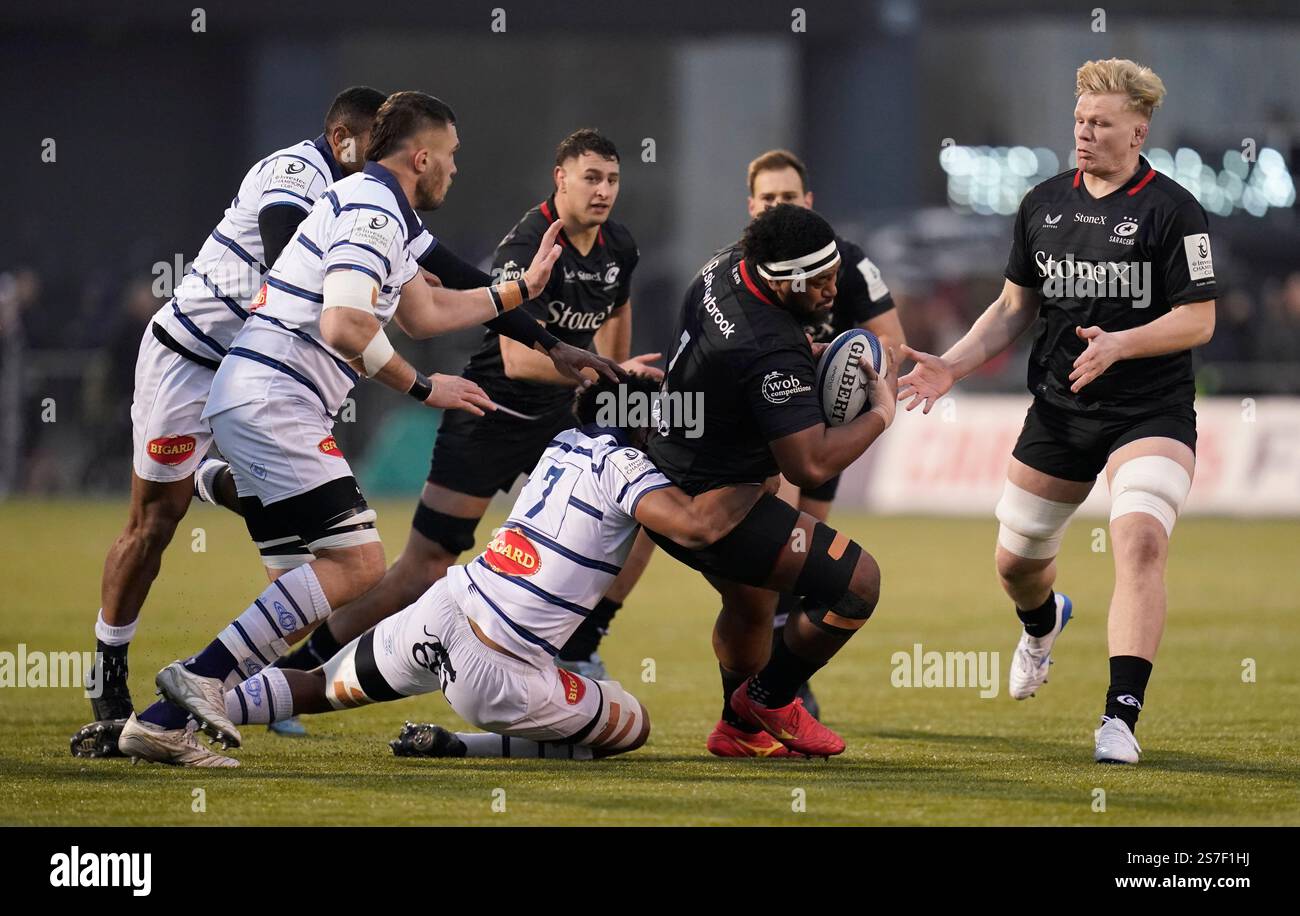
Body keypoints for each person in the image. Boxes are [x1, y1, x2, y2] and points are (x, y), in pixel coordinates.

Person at [116, 91, 570, 766]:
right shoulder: (373, 211)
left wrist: (519, 293)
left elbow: (425, 312)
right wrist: (425, 387)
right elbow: (344, 325)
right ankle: (202, 676)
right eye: (451, 155)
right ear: (422, 157)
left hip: (257, 398)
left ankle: (158, 722)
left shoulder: (377, 204)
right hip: (277, 401)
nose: (455, 168)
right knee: (359, 565)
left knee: (306, 584)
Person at [898, 59, 1216, 764]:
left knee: (1140, 542)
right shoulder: (1042, 204)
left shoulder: (1174, 210)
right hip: (1061, 409)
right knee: (1016, 564)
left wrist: (1123, 343)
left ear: (1138, 131)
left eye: (1100, 123)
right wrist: (951, 364)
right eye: (1079, 120)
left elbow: (1199, 319)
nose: (1084, 133)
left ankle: (1119, 719)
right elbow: (1014, 307)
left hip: (1150, 410)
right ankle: (1043, 624)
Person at [203, 376, 774, 765]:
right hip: (498, 669)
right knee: (633, 725)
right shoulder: (627, 466)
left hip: (443, 608)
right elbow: (694, 526)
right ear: (645, 427)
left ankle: (171, 711)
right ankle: (463, 746)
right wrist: (757, 468)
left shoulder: (566, 442)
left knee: (315, 687)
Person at [273, 129, 657, 685]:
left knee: (632, 513)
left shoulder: (619, 245)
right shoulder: (527, 244)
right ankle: (303, 667)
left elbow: (617, 311)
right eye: (591, 178)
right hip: (488, 415)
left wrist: (612, 376)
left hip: (560, 421)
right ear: (561, 179)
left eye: (613, 180)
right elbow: (518, 361)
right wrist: (604, 371)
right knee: (425, 568)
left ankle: (580, 645)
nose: (603, 191)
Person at [72, 87, 389, 757]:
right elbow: (284, 251)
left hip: (260, 381)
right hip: (191, 360)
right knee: (155, 522)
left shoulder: (366, 199)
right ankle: (108, 683)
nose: (384, 162)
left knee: (309, 572)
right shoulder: (296, 170)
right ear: (342, 140)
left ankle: (214, 697)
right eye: (376, 147)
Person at [647, 203, 897, 757]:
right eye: (821, 281)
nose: (833, 291)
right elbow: (809, 466)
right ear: (784, 281)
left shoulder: (727, 264)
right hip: (714, 510)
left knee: (752, 605)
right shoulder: (768, 345)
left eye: (836, 274)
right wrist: (881, 414)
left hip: (667, 472)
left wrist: (807, 358)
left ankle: (737, 730)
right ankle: (770, 698)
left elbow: (744, 362)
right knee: (859, 583)